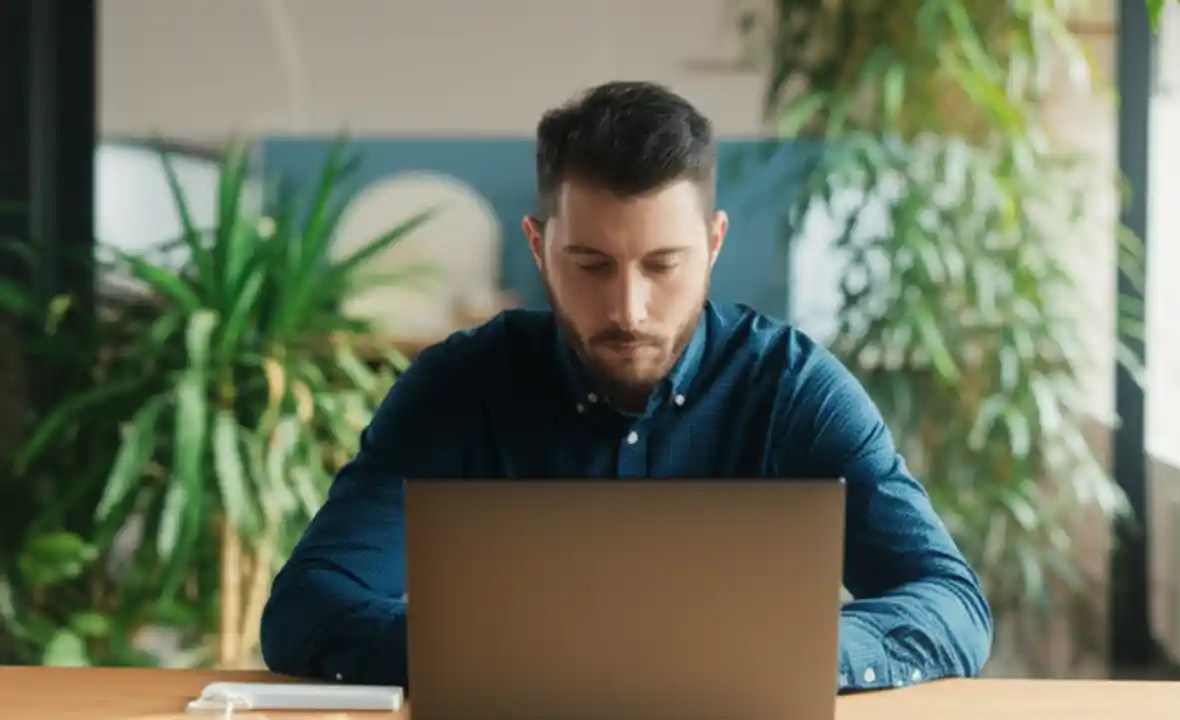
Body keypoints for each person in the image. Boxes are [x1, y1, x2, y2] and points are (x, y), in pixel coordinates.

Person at [260, 80, 993, 693]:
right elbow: (305, 607)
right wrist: (492, 656)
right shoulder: (458, 387)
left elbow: (952, 606)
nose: (628, 309)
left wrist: (779, 654)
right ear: (539, 247)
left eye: (663, 265)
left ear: (713, 245)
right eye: (591, 265)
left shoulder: (792, 388)